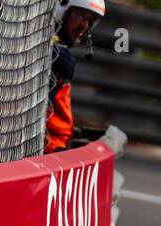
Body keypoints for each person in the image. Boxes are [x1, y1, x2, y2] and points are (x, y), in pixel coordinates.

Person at [44, 0, 104, 153]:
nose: (84, 25)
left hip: (53, 145)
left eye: (89, 20)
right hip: (48, 147)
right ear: (62, 10)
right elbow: (65, 63)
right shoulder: (53, 50)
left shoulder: (58, 50)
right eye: (80, 15)